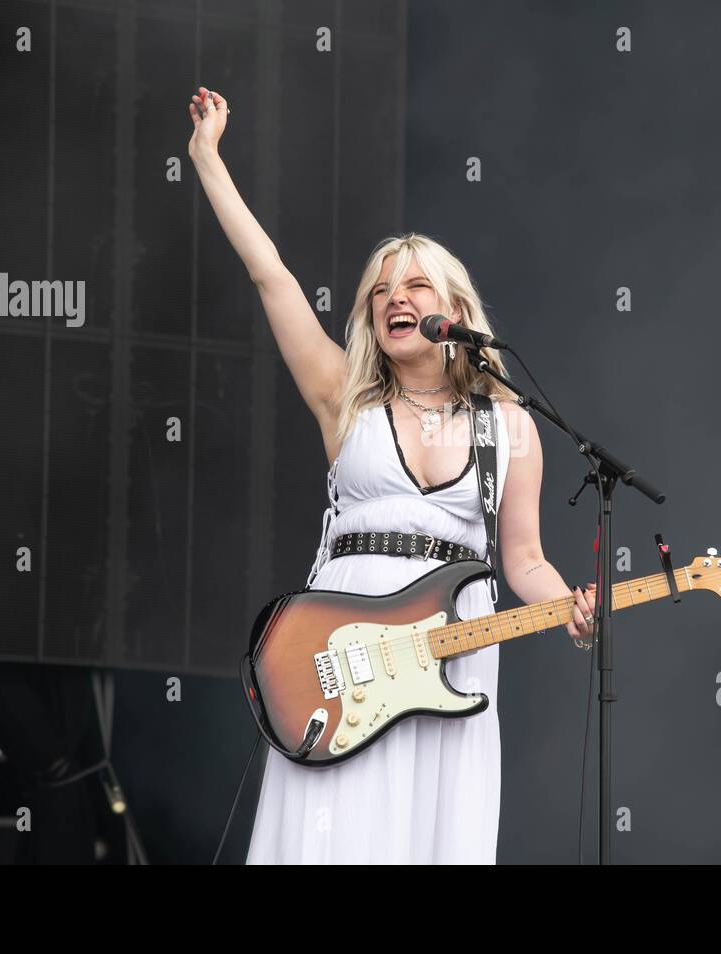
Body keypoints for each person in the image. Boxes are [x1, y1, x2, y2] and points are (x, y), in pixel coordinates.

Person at [188, 86, 596, 863]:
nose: (393, 299)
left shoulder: (508, 426)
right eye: (380, 290)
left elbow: (526, 561)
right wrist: (208, 159)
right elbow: (271, 275)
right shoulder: (345, 399)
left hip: (450, 659)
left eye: (413, 286)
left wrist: (570, 608)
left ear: (452, 308)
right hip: (338, 656)